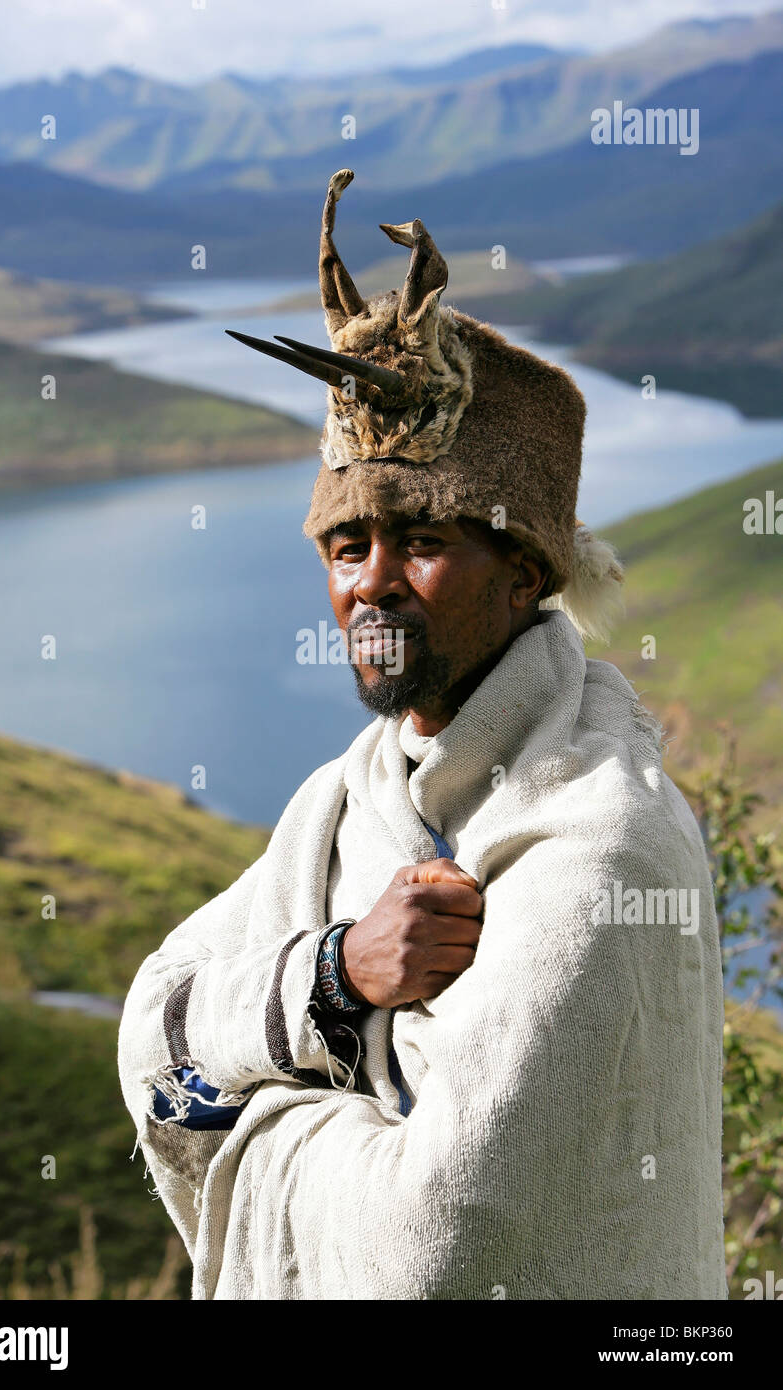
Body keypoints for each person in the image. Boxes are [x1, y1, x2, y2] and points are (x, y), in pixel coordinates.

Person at [117, 169, 726, 1300]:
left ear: (525, 573)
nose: (372, 585)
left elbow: (430, 1247)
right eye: (348, 548)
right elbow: (144, 1038)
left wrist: (262, 1102)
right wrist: (335, 978)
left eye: (424, 540)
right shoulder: (346, 802)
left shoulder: (596, 845)